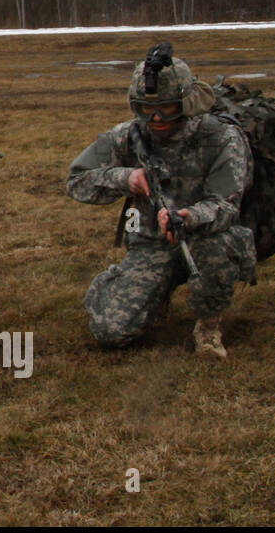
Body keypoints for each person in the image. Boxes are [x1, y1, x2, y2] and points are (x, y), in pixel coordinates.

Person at [66, 43, 255, 358]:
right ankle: (141, 291)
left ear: (187, 103)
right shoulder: (128, 136)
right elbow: (76, 180)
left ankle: (208, 328)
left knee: (217, 246)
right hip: (151, 244)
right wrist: (125, 179)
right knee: (112, 332)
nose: (156, 118)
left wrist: (189, 217)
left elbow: (225, 205)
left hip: (205, 238)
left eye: (167, 108)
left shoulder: (222, 138)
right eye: (145, 109)